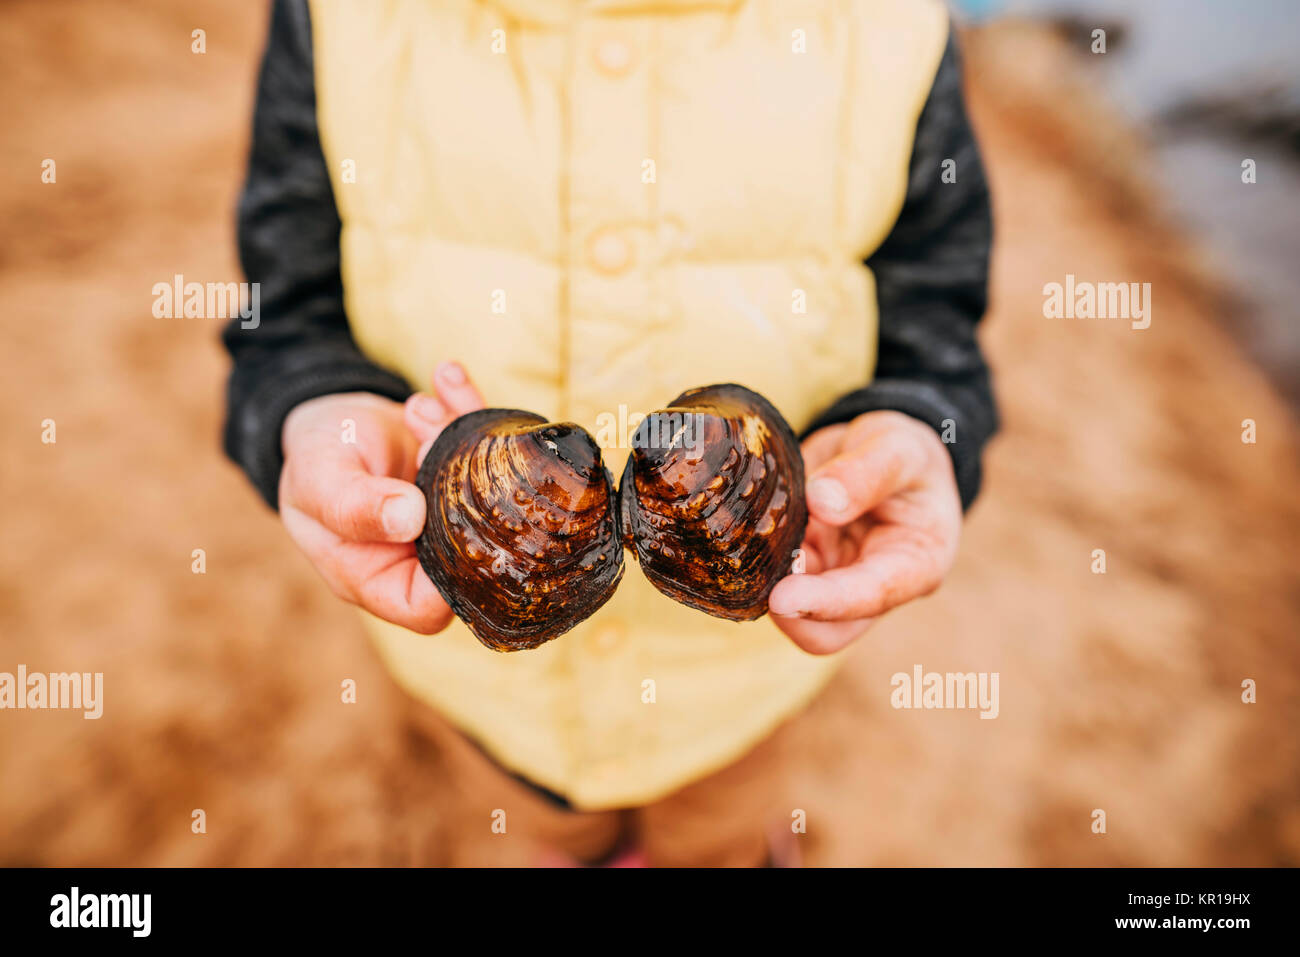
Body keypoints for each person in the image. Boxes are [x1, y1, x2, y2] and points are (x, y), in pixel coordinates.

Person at [223, 0, 997, 866]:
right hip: (484, 693)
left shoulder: (893, 28)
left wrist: (924, 425)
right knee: (516, 835)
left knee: (723, 839)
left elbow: (936, 314)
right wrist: (307, 406)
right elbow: (282, 311)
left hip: (743, 688)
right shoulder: (340, 19)